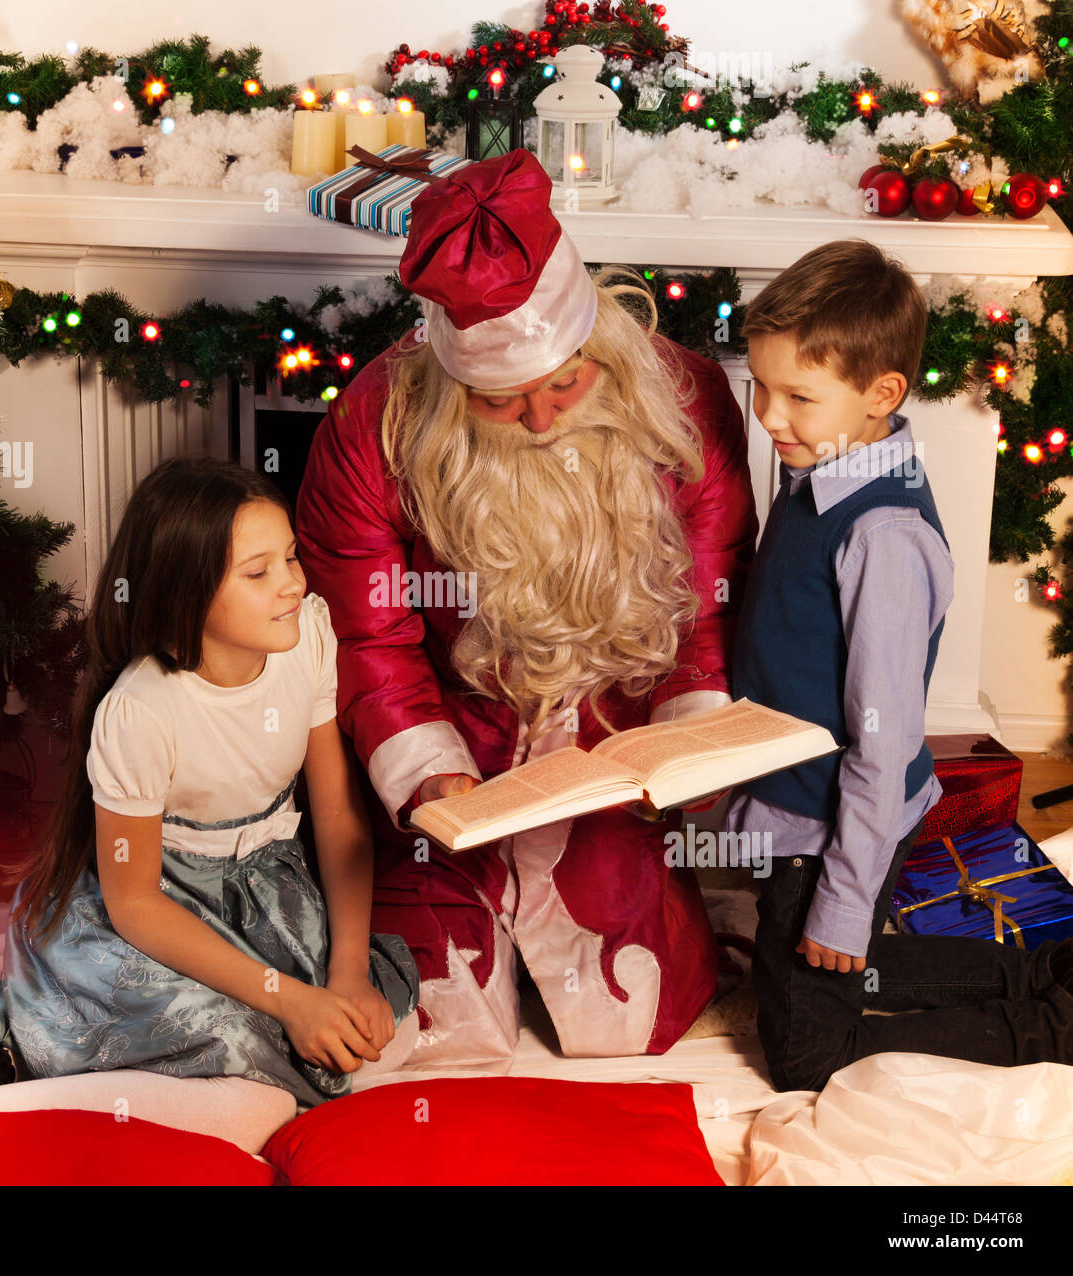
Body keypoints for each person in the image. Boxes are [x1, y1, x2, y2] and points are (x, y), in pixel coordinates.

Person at [0, 456, 420, 1154]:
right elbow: (135, 905)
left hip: (264, 893)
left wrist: (344, 975)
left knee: (375, 1045)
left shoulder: (307, 634)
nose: (292, 583)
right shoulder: (142, 710)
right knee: (259, 1103)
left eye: (289, 557)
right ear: (185, 596)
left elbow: (339, 820)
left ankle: (51, 1078)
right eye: (259, 573)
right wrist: (287, 997)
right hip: (152, 912)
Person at [295, 148, 758, 1065]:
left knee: (625, 1021)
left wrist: (689, 738)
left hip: (608, 755)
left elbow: (707, 603)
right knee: (438, 1040)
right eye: (503, 402)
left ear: (600, 346)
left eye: (565, 384)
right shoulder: (374, 424)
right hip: (457, 742)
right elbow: (367, 629)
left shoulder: (687, 400)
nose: (543, 421)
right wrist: (427, 770)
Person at [722, 237, 1073, 1093]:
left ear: (882, 396)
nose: (769, 416)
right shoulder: (823, 463)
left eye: (798, 396)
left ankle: (1045, 1023)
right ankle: (1031, 972)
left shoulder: (882, 537)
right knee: (817, 971)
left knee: (808, 1054)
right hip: (802, 805)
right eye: (761, 387)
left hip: (842, 818)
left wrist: (841, 901)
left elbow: (879, 747)